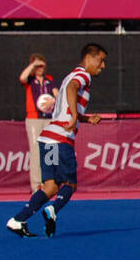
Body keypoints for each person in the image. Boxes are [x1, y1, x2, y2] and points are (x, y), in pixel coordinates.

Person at [6, 43, 107, 238]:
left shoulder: (70, 74)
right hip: (61, 140)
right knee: (70, 184)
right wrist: (76, 118)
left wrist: (85, 118)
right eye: (101, 61)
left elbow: (67, 102)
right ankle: (53, 210)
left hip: (49, 139)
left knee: (51, 186)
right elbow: (72, 88)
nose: (103, 66)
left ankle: (17, 220)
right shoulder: (82, 76)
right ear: (88, 58)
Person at [19, 53, 58, 193]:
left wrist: (53, 101)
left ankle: (51, 182)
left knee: (50, 148)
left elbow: (56, 94)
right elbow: (22, 77)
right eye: (38, 66)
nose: (40, 68)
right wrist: (33, 65)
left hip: (49, 118)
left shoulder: (49, 79)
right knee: (36, 150)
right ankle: (36, 185)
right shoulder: (30, 80)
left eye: (42, 65)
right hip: (34, 119)